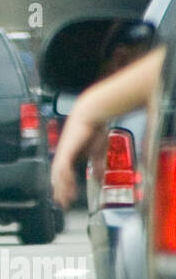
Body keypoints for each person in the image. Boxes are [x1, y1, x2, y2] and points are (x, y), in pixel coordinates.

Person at [49, 44, 165, 210]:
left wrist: (63, 161)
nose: (97, 172)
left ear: (121, 60)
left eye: (94, 154)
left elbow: (160, 69)